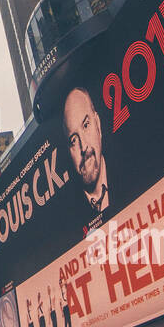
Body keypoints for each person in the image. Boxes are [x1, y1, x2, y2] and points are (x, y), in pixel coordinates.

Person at [62, 86, 122, 234]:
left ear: (98, 125)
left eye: (86, 125)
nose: (84, 147)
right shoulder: (69, 224)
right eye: (73, 140)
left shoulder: (132, 172)